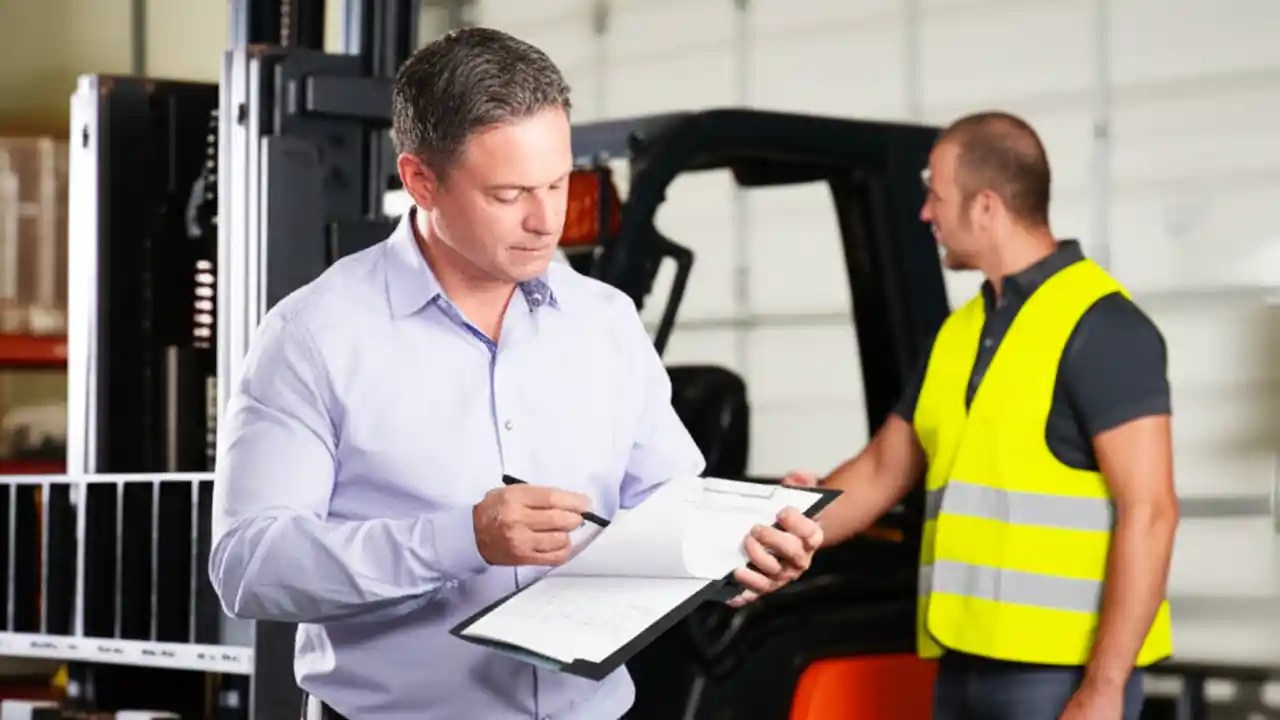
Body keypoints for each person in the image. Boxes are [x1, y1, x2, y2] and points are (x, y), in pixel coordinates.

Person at [207, 27, 821, 720]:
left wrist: (743, 550)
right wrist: (460, 540)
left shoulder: (605, 322)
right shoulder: (314, 336)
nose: (544, 220)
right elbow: (249, 566)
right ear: (420, 181)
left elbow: (667, 508)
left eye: (558, 183)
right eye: (509, 194)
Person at [785, 111, 1178, 719]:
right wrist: (787, 524)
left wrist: (1103, 687)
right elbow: (882, 468)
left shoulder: (1103, 327)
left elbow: (1150, 513)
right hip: (962, 663)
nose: (925, 215)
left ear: (987, 207)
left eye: (935, 197)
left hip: (1060, 677)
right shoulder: (959, 333)